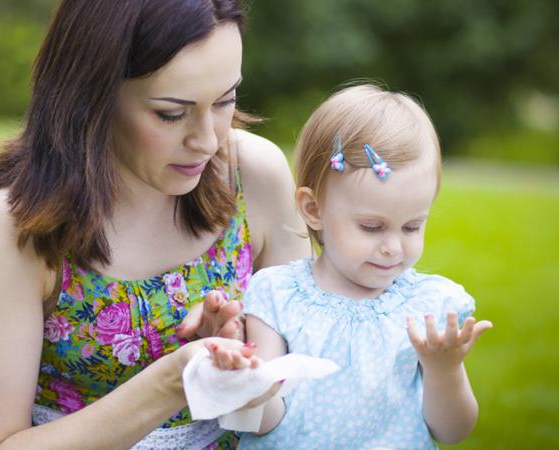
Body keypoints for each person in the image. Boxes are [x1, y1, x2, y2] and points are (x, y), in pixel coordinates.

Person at [0, 0, 310, 448]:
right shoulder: (21, 217)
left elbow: (311, 394)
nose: (207, 140)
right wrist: (173, 382)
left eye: (226, 100)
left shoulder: (254, 174)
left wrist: (243, 361)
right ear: (92, 94)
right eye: (171, 113)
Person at [207, 84, 493, 449]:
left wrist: (445, 370)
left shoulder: (425, 307)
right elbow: (265, 421)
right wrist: (245, 386)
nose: (392, 248)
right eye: (372, 227)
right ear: (313, 209)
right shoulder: (277, 296)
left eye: (412, 226)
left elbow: (452, 431)